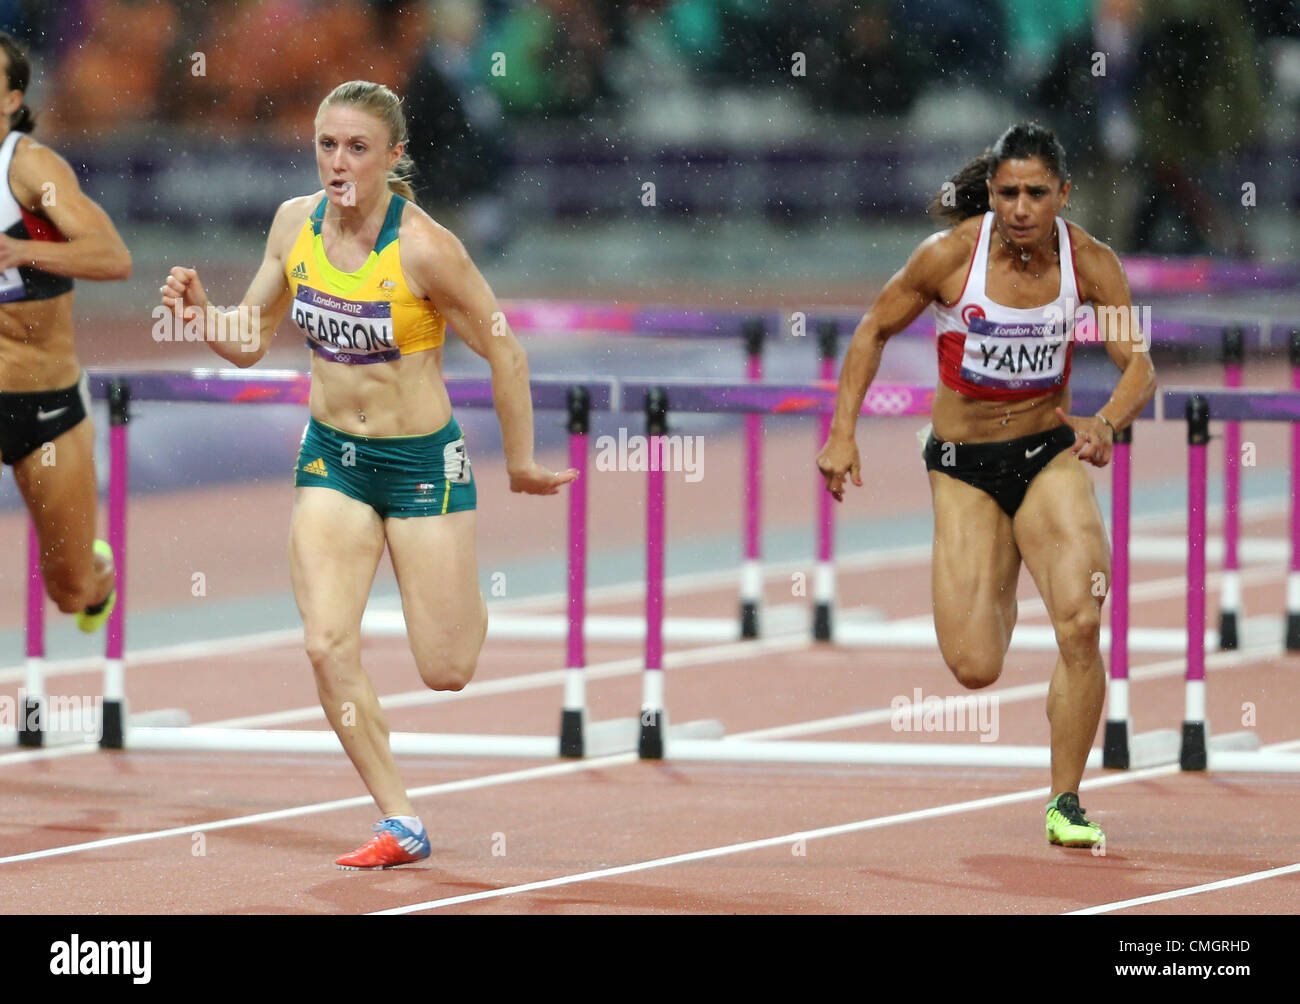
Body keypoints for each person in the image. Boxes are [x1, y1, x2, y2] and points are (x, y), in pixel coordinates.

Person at [160, 80, 577, 869]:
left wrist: (519, 461)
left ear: (394, 156)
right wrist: (201, 314)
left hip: (421, 466)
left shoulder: (425, 247)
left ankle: (454, 589)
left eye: (357, 147)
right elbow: (249, 339)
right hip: (332, 463)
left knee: (446, 669)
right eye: (326, 145)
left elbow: (506, 351)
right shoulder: (294, 224)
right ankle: (401, 818)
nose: (339, 162)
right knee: (324, 644)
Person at [817, 122, 1157, 849]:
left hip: (1049, 454)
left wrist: (1106, 421)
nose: (1023, 207)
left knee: (1082, 620)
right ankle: (1003, 559)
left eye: (1038, 192)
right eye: (1009, 193)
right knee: (974, 666)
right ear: (992, 194)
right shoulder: (948, 256)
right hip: (965, 467)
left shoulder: (1091, 264)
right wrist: (842, 432)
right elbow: (874, 329)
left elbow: (1139, 363)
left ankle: (1065, 799)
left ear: (1064, 194)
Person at [0, 31, 132, 636]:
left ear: (11, 100)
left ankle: (93, 574)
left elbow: (112, 257)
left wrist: (19, 250)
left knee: (71, 591)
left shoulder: (30, 168)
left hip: (43, 403)